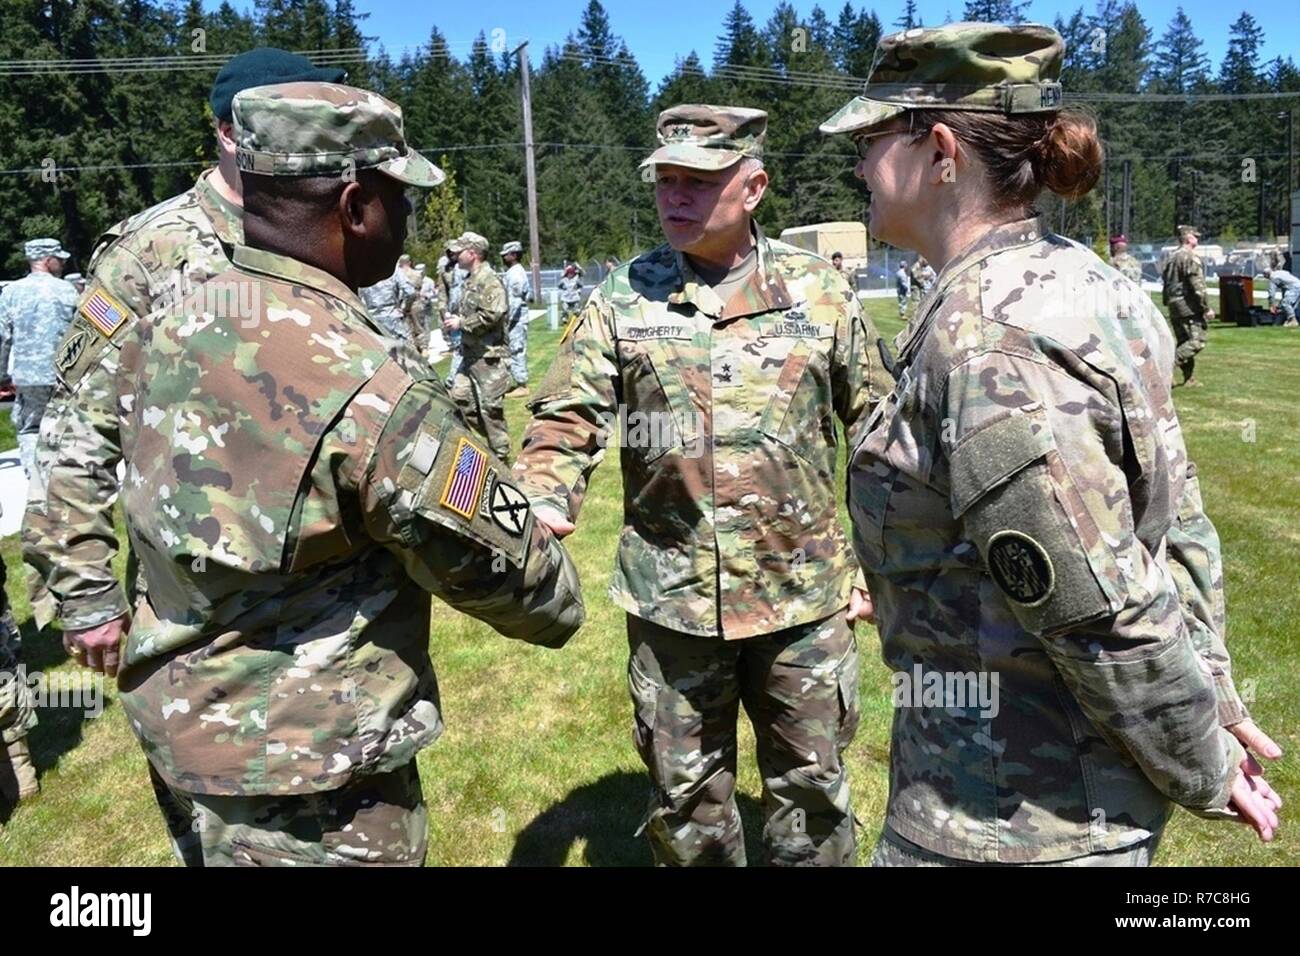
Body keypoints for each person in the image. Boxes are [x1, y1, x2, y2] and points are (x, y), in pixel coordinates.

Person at [820, 20, 1281, 866]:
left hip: (1011, 819)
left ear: (941, 150)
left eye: (872, 137)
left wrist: (1204, 762)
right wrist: (1212, 691)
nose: (857, 164)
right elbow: (1174, 527)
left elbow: (1098, 612)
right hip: (1032, 801)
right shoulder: (1083, 282)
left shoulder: (989, 339)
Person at [91, 81, 584, 867]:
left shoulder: (173, 320)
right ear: (355, 206)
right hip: (315, 786)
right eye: (402, 199)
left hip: (188, 739)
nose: (410, 220)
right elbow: (524, 586)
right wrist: (540, 550)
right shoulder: (370, 386)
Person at [516, 103, 890, 866]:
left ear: (753, 188)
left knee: (812, 790)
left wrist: (886, 562)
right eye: (665, 182)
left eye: (698, 181)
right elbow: (566, 413)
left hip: (804, 596)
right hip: (673, 600)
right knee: (686, 802)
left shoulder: (819, 292)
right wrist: (547, 492)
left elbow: (884, 432)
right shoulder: (627, 295)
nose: (674, 197)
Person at [22, 47, 342, 663]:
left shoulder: (324, 234)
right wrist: (87, 593)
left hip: (335, 597)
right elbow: (75, 431)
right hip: (205, 615)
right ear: (229, 132)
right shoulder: (150, 253)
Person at [0, 238, 78, 481]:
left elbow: (3, 337)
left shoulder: (11, 292)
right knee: (67, 427)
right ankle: (64, 482)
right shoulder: (67, 289)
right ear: (47, 260)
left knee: (31, 429)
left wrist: (2, 374)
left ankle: (37, 482)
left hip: (27, 376)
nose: (63, 264)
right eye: (59, 259)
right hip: (64, 375)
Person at [442, 231, 512, 462]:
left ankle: (501, 457)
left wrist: (462, 323)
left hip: (489, 356)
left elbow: (494, 313)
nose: (455, 256)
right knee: (459, 400)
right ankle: (489, 445)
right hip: (471, 354)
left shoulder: (489, 280)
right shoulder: (470, 279)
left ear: (473, 254)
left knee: (490, 409)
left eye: (459, 252)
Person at [1161, 224, 1214, 387]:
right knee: (1197, 341)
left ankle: (1188, 378)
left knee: (1184, 340)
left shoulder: (1171, 257)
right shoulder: (1190, 257)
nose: (1197, 239)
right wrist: (1206, 307)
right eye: (1195, 236)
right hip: (1187, 305)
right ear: (1188, 238)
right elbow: (1197, 285)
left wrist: (1167, 301)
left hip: (1174, 303)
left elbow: (1166, 282)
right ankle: (1166, 369)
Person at [500, 240, 531, 395]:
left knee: (516, 349)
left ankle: (522, 385)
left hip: (516, 320)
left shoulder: (516, 273)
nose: (503, 258)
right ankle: (517, 381)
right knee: (512, 349)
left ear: (513, 255)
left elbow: (515, 300)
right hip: (515, 319)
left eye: (506, 255)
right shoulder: (514, 271)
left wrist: (506, 321)